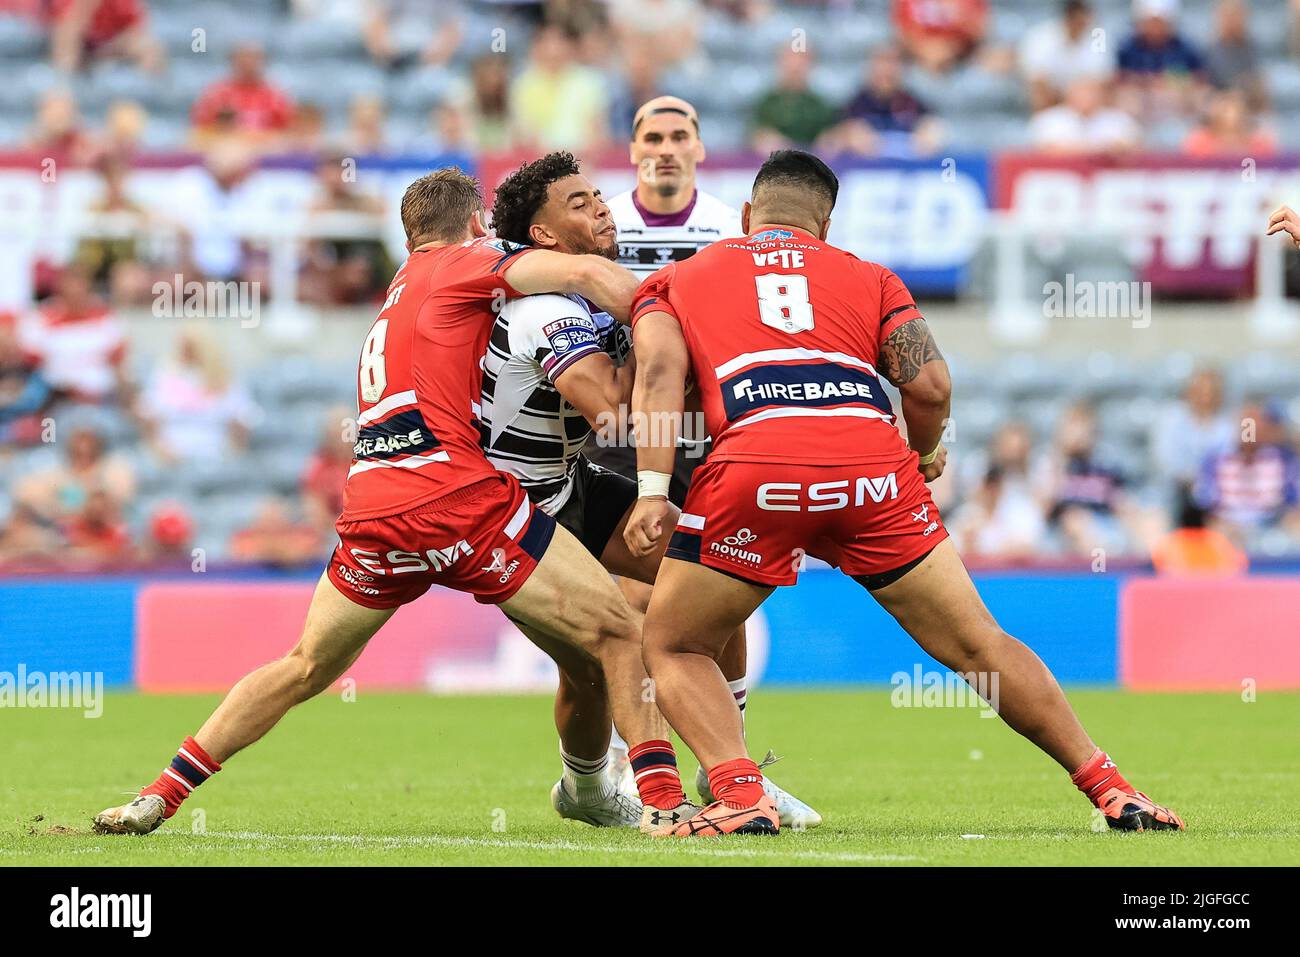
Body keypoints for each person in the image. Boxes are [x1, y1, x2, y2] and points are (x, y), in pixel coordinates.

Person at [91, 167, 693, 837]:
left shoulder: (397, 293)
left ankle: (160, 793)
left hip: (375, 503)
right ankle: (664, 799)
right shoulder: (467, 263)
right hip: (454, 495)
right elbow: (582, 277)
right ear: (471, 226)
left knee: (305, 664)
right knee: (619, 631)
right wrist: (664, 307)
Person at [624, 149, 1185, 836]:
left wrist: (654, 489)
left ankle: (742, 796)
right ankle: (1113, 790)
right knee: (982, 646)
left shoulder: (680, 277)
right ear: (825, 224)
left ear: (746, 216)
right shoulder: (870, 276)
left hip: (757, 466)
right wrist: (919, 455)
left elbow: (655, 373)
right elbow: (931, 387)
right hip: (872, 471)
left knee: (675, 643)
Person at [485, 151, 816, 827]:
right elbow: (613, 409)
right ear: (544, 237)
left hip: (566, 485)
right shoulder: (541, 308)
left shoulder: (580, 296)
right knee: (601, 655)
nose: (602, 207)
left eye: (598, 195)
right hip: (511, 513)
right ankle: (630, 795)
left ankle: (728, 766)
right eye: (579, 203)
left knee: (708, 568)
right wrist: (661, 322)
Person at [593, 97, 820, 826]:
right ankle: (640, 769)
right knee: (631, 603)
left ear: (698, 147)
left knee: (727, 603)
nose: (665, 148)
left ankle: (730, 763)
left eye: (678, 135)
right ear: (632, 151)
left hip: (717, 437)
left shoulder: (729, 226)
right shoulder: (603, 228)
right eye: (651, 136)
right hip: (623, 437)